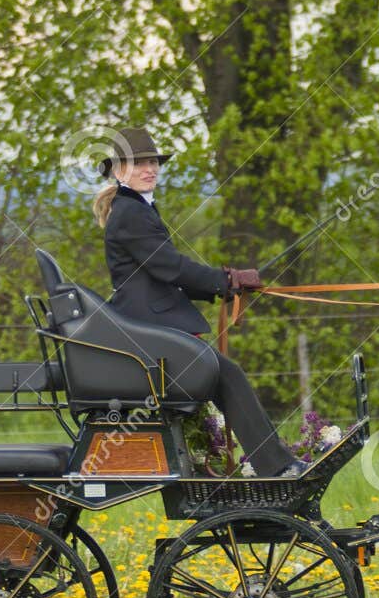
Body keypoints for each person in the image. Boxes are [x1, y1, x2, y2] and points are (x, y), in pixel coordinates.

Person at [92, 126, 304, 479]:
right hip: (149, 331)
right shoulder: (131, 214)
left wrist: (223, 286)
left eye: (153, 162)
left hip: (150, 325)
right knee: (226, 373)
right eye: (139, 163)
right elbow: (170, 267)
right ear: (118, 171)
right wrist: (225, 279)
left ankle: (271, 462)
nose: (150, 169)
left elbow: (161, 273)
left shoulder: (135, 209)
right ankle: (276, 465)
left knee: (225, 374)